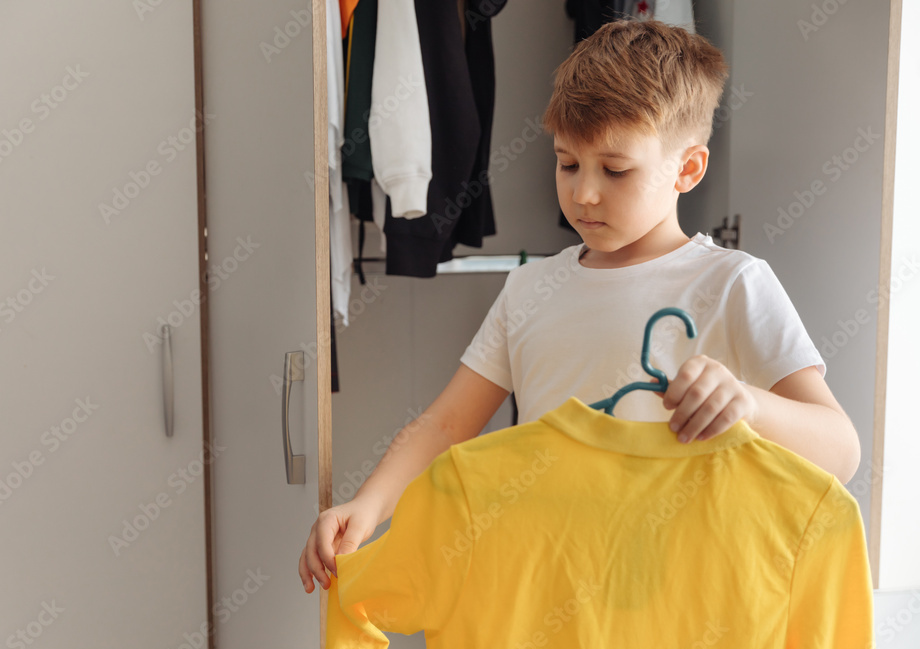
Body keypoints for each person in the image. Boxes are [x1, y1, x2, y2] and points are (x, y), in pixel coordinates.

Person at [298, 18, 861, 595]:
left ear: (687, 169)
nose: (584, 192)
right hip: (551, 598)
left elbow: (840, 450)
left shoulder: (734, 283)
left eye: (615, 170)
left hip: (684, 605)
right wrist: (366, 507)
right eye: (568, 163)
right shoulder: (528, 288)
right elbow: (445, 424)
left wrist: (748, 407)